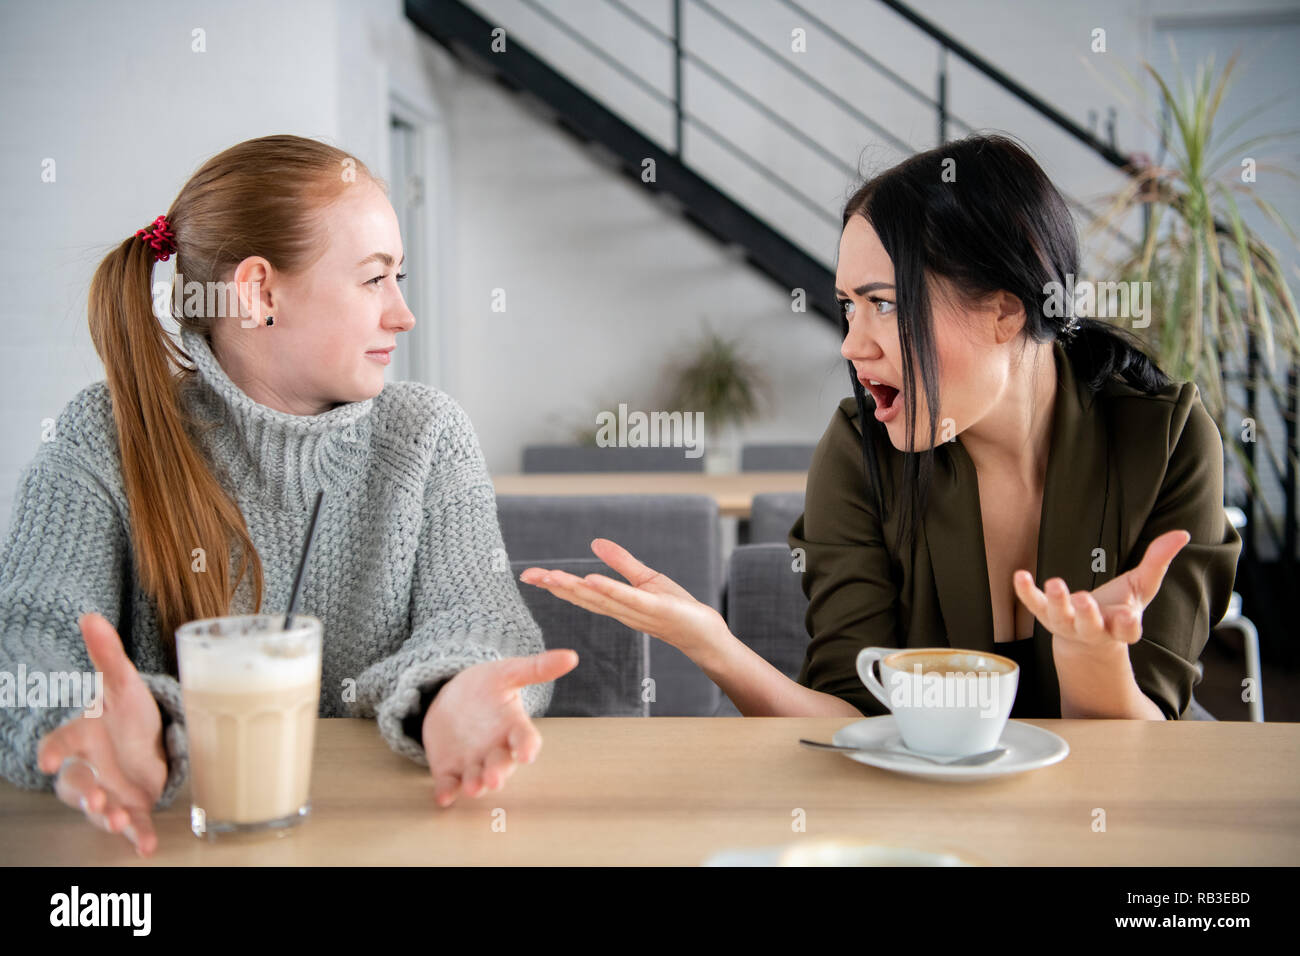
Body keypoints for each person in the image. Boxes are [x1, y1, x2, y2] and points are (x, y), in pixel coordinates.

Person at [521, 133, 1240, 723]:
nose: (852, 344)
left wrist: (1093, 657)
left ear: (1005, 309)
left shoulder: (1168, 441)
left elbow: (1145, 748)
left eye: (884, 304)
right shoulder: (860, 449)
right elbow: (853, 721)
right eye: (847, 306)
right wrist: (715, 647)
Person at [0, 134, 576, 857]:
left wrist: (451, 691)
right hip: (170, 842)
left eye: (400, 278)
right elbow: (28, 638)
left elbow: (479, 618)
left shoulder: (427, 434)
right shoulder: (105, 436)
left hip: (387, 841)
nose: (403, 314)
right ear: (259, 293)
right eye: (374, 280)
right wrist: (78, 717)